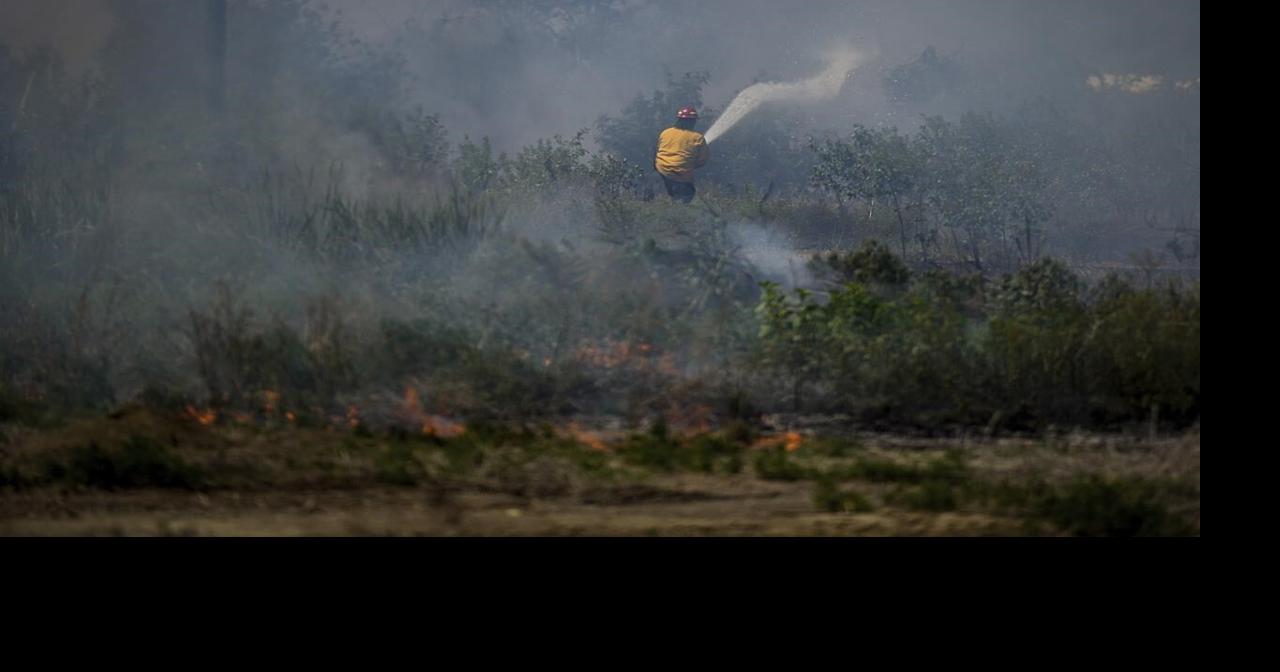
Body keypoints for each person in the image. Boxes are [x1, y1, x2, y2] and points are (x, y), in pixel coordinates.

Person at [654, 106, 709, 203]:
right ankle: (677, 213)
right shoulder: (698, 137)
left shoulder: (665, 132)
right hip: (681, 173)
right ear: (692, 122)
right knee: (687, 195)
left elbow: (658, 150)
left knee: (671, 194)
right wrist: (689, 164)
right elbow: (702, 160)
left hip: (661, 169)